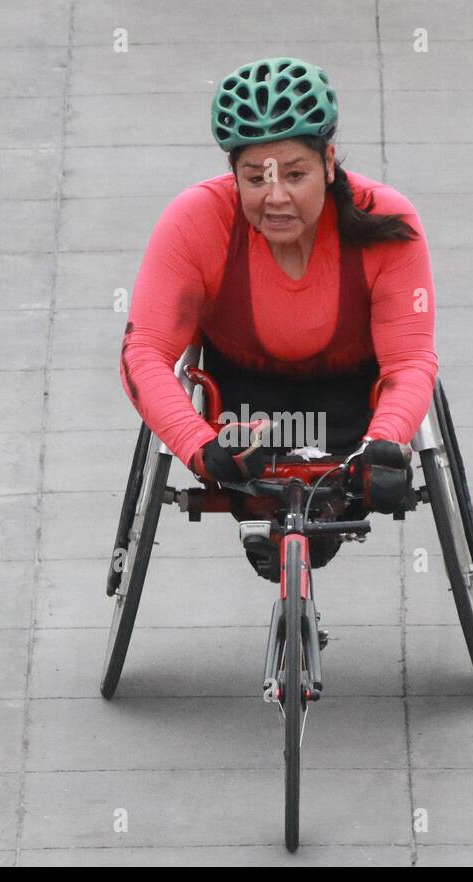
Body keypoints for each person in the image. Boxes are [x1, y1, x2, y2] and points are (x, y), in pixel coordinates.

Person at [119, 55, 437, 529]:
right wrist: (197, 444)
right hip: (242, 415)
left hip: (353, 408)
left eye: (294, 174)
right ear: (233, 174)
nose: (276, 197)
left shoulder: (388, 220)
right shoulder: (194, 222)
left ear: (328, 164)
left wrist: (386, 441)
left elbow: (411, 360)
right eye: (255, 178)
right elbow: (143, 351)